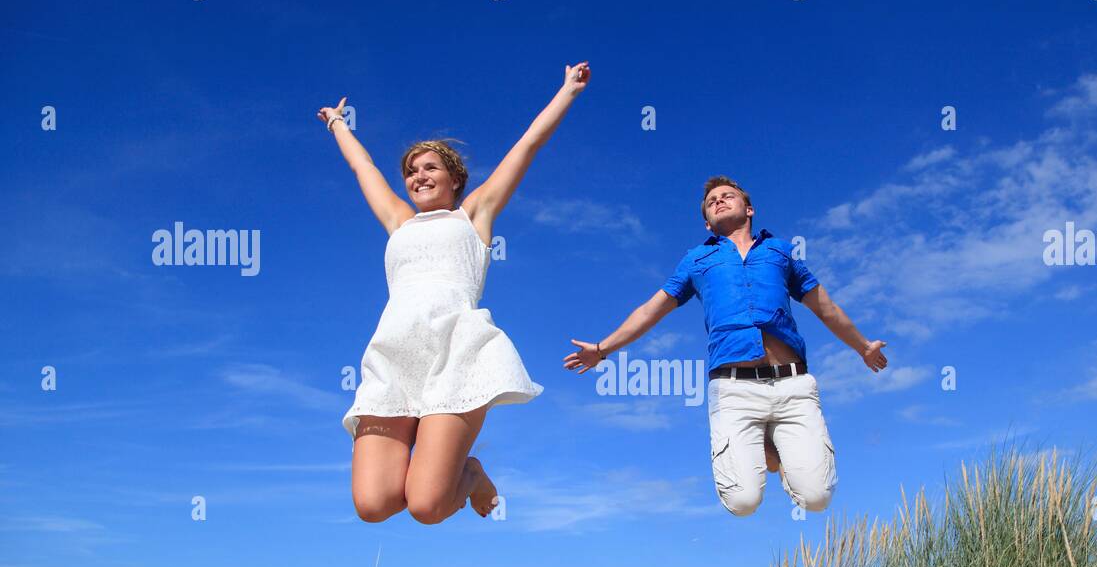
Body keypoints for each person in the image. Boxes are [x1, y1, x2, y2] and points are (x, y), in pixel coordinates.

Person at [319, 62, 591, 524]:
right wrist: (337, 124)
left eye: (430, 168)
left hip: (456, 352)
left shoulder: (474, 216)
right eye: (410, 171)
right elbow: (361, 166)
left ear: (455, 179)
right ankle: (444, 468)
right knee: (373, 503)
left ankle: (470, 473)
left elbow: (527, 146)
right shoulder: (398, 220)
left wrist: (567, 91)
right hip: (395, 353)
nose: (417, 176)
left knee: (427, 506)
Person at [565, 176, 887, 517]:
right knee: (743, 502)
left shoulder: (779, 251)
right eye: (711, 201)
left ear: (749, 209)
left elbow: (825, 307)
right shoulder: (696, 260)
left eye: (727, 196)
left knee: (817, 499)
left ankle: (773, 447)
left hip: (793, 386)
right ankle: (764, 443)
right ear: (707, 222)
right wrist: (602, 349)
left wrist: (862, 346)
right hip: (734, 392)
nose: (718, 200)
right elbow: (650, 310)